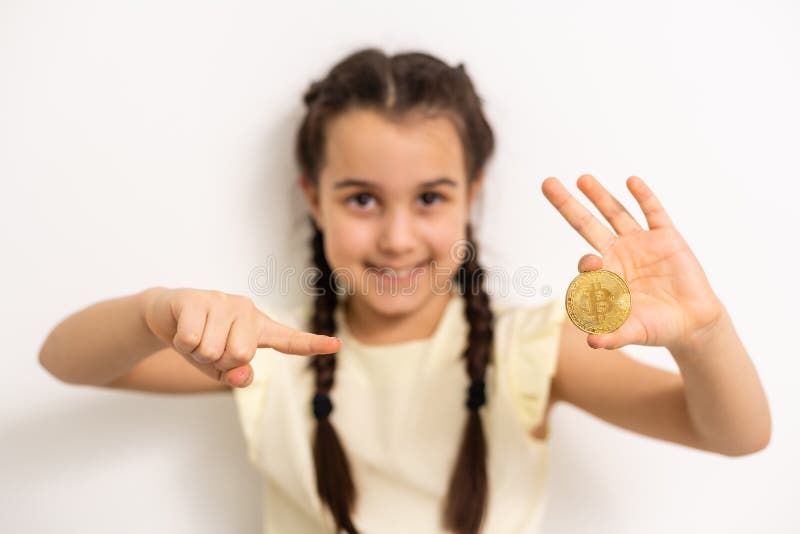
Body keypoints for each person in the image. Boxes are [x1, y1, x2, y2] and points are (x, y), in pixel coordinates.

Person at [38, 48, 772, 534]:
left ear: (472, 196)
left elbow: (733, 434)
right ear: (313, 196)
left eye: (429, 198)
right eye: (361, 199)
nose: (395, 238)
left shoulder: (534, 349)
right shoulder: (265, 349)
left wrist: (703, 336)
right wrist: (153, 311)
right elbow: (66, 362)